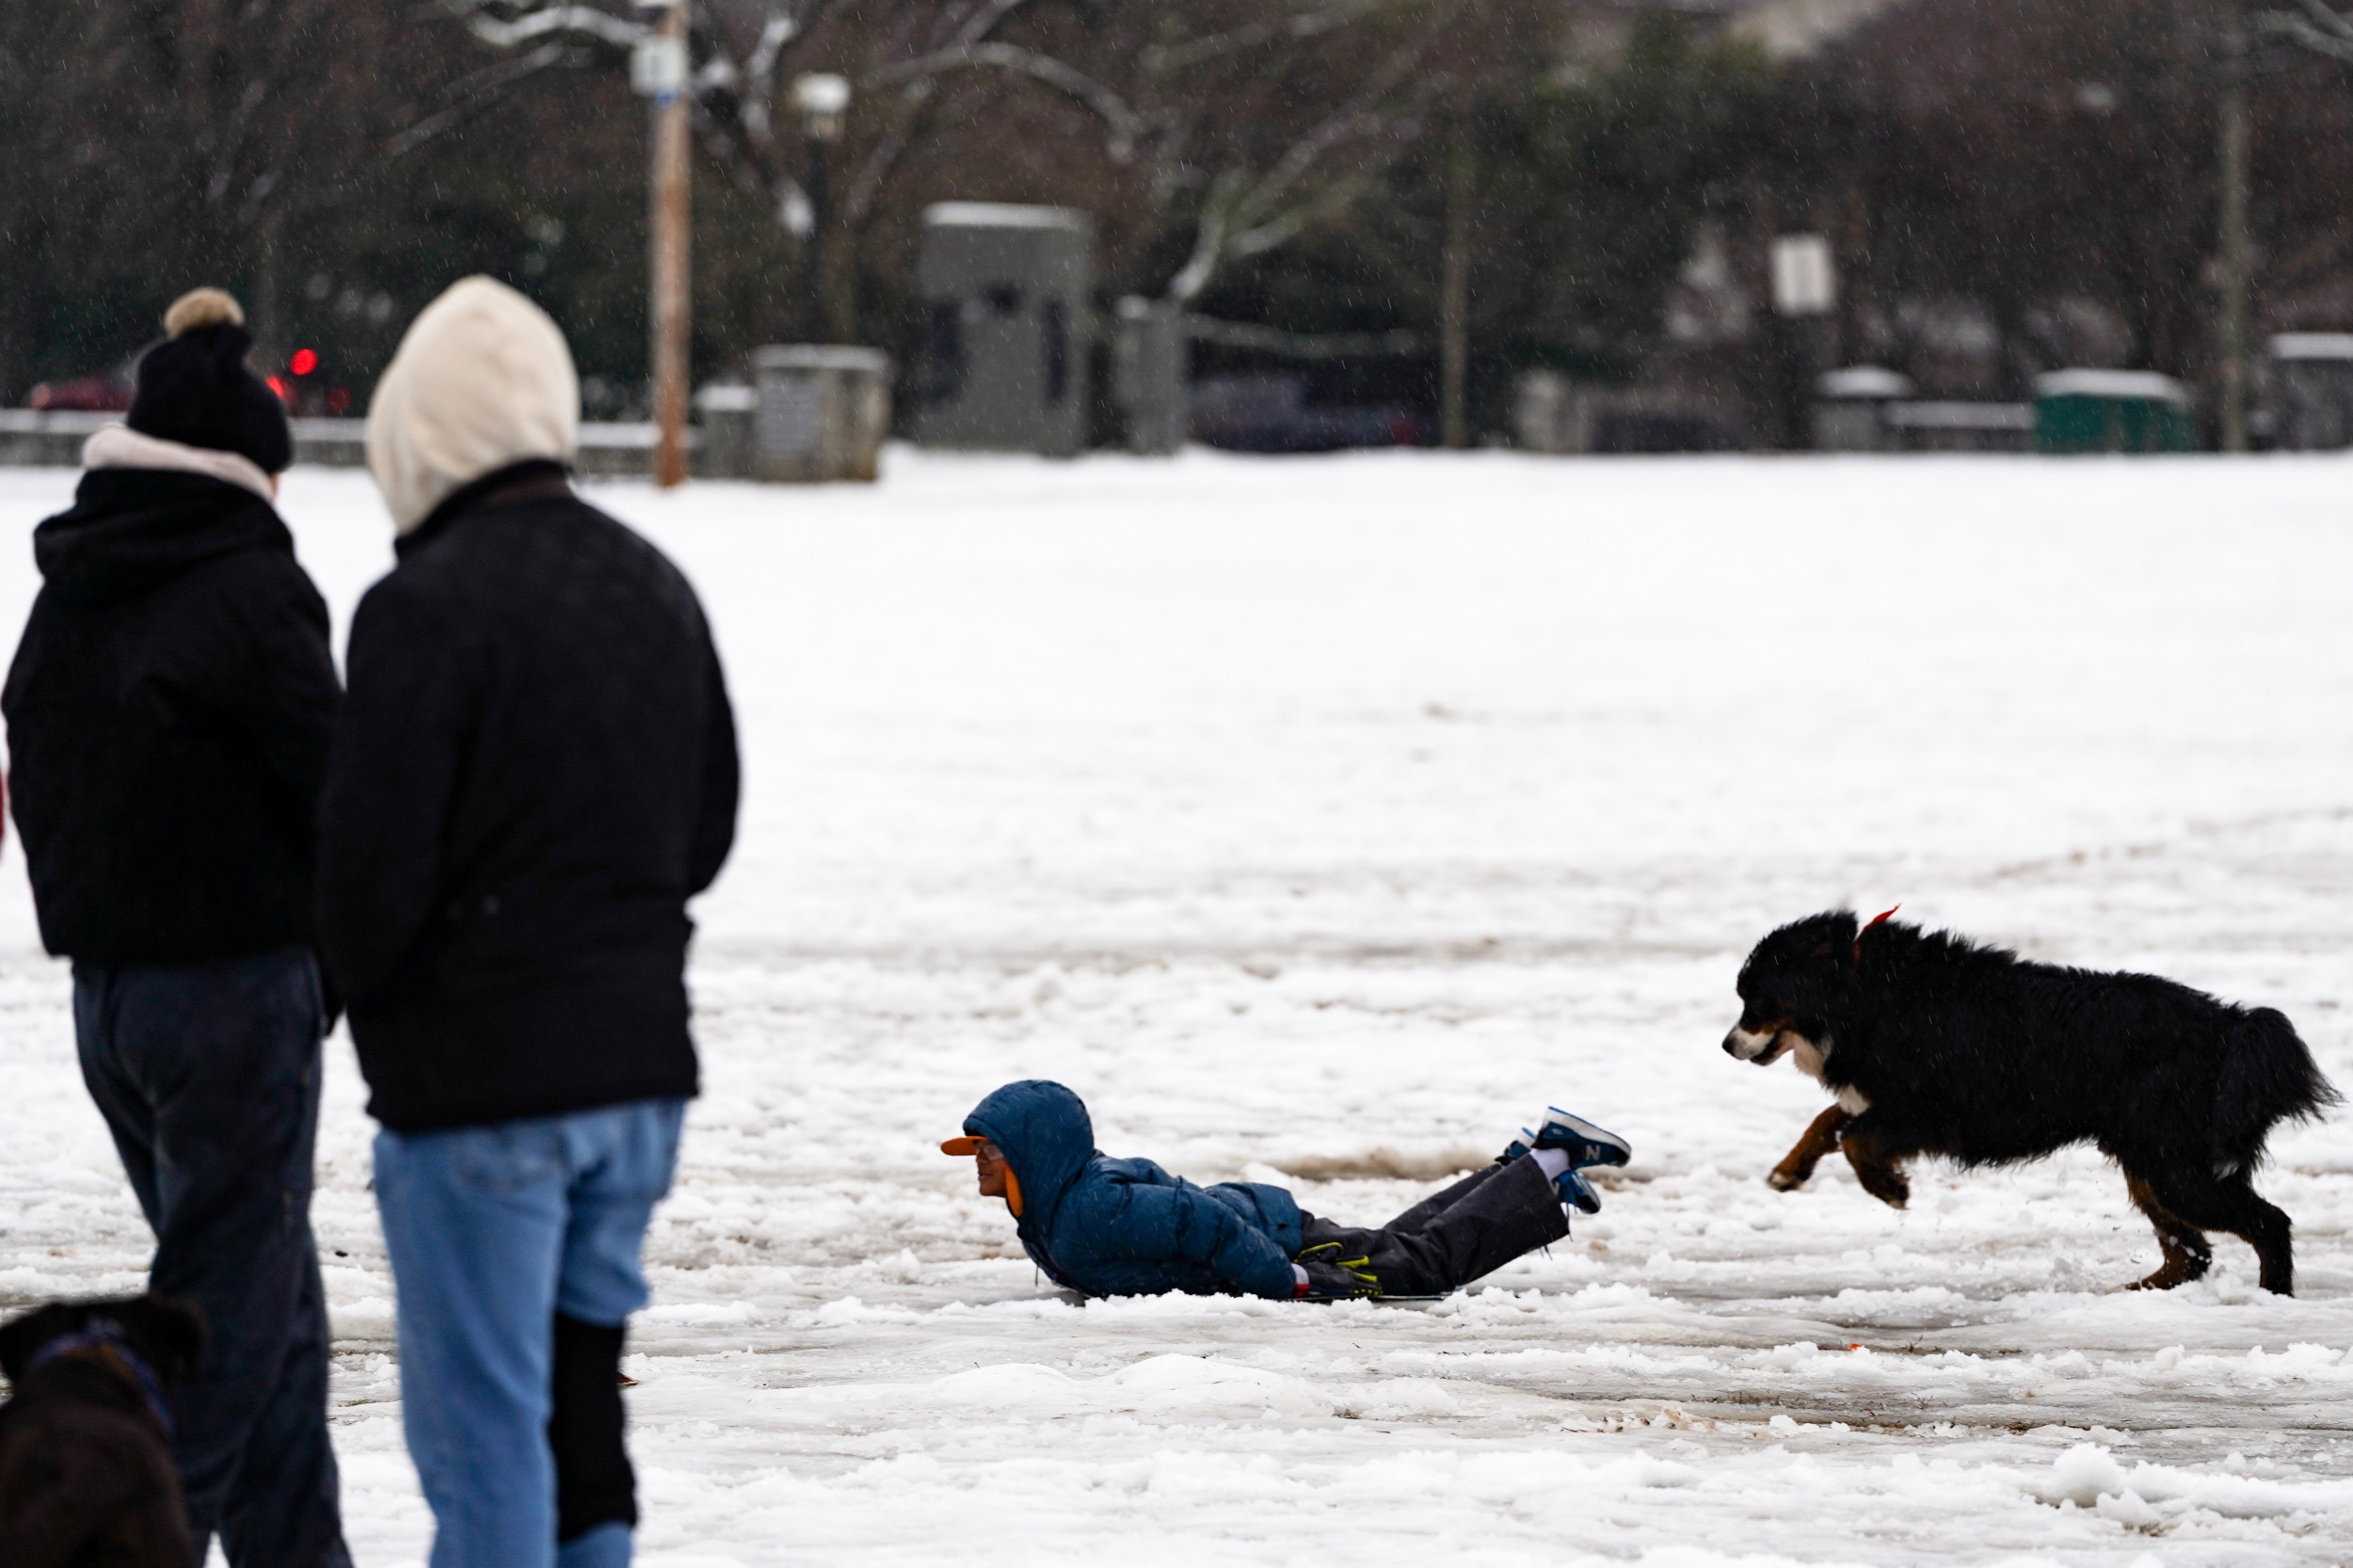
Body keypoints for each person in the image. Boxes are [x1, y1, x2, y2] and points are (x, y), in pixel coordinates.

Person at [317, 276, 738, 1568]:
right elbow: (708, 825)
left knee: (486, 1436)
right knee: (575, 1415)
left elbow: (370, 871)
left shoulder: (422, 607)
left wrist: (332, 995)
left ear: (415, 438)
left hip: (481, 1091)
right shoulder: (652, 582)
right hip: (638, 1087)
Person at [2, 287, 350, 1565]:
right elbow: (339, 788)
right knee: (227, 1321)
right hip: (232, 996)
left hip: (110, 1004)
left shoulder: (72, 586)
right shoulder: (251, 585)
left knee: (274, 1316)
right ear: (249, 468)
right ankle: (148, 1534)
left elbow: (40, 774)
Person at [942, 1080, 1631, 1300]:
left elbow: (1198, 1223)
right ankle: (1526, 1166)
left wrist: (1288, 1280)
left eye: (988, 1150)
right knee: (1403, 1248)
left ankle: (1551, 1159)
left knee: (1423, 1273)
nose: (978, 1162)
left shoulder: (1090, 1206)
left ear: (1029, 1153)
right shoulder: (1053, 1204)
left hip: (1270, 1240)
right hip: (1267, 1227)